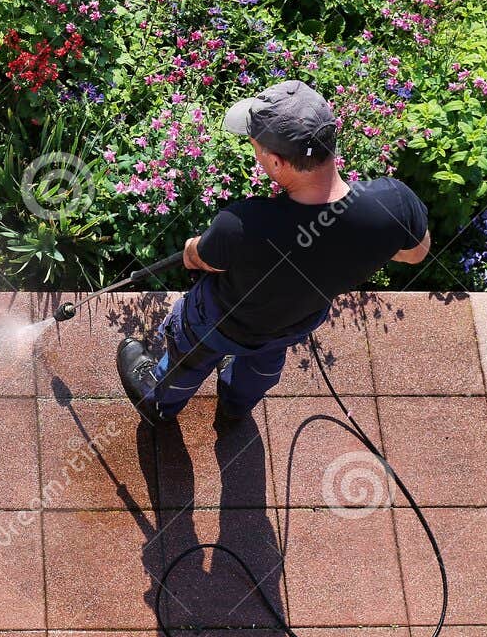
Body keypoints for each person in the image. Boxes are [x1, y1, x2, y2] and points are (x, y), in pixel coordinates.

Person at [117, 79, 431, 426]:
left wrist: (193, 246)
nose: (254, 153)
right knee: (262, 365)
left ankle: (160, 400)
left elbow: (199, 258)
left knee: (188, 356)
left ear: (278, 163)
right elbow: (416, 253)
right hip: (291, 322)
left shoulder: (242, 225)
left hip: (219, 321)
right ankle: (235, 406)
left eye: (255, 147)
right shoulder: (394, 202)